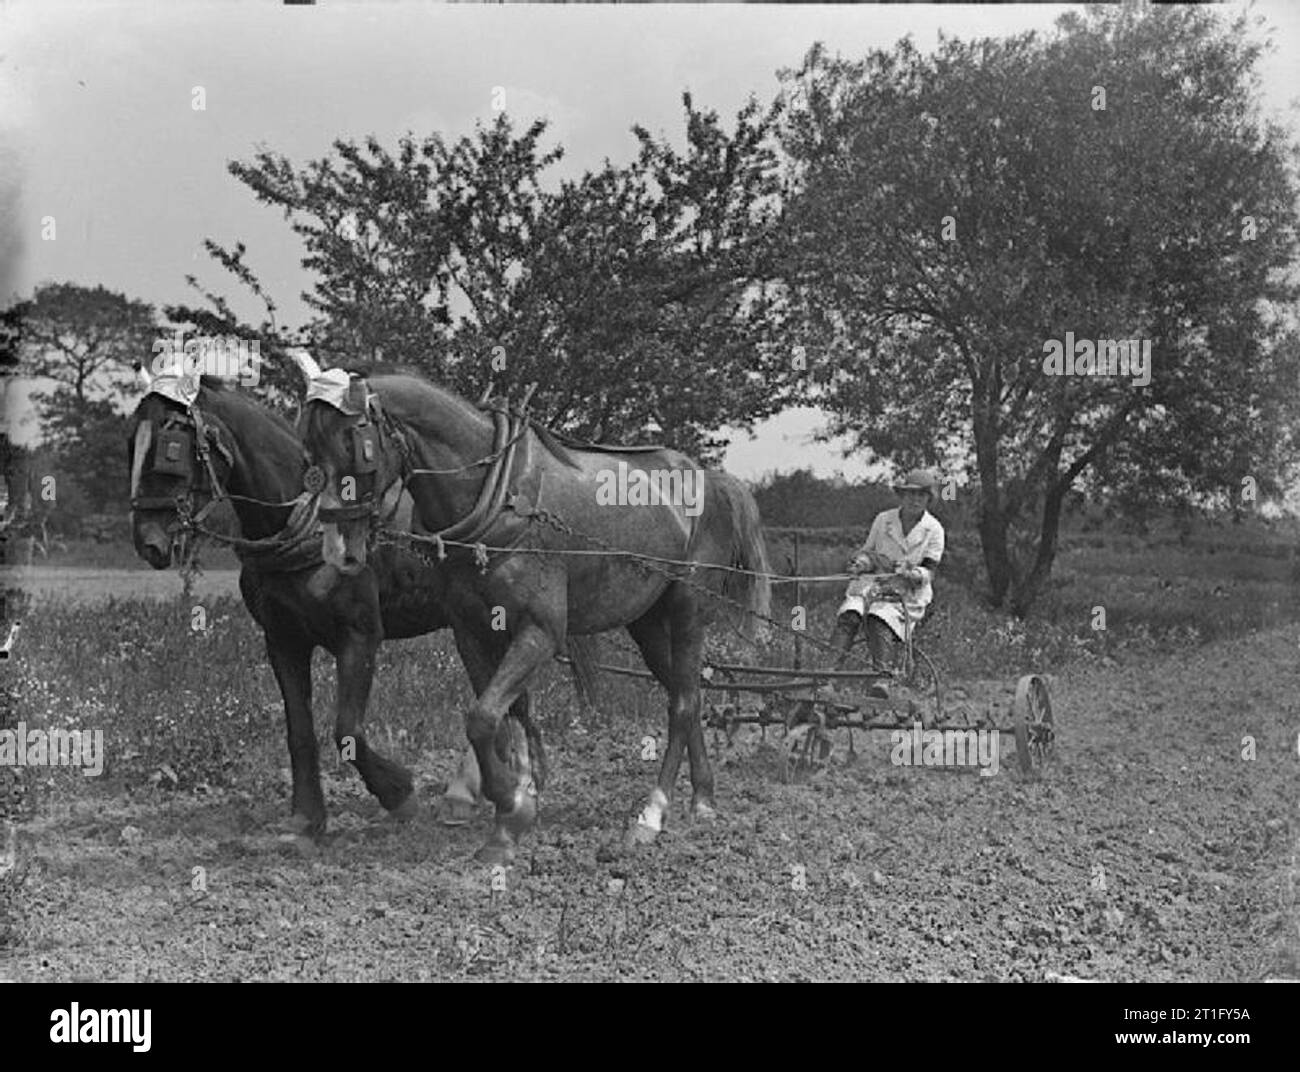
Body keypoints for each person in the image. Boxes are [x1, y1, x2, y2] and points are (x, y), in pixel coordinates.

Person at [832, 469, 945, 690]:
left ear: (928, 499)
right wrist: (861, 564)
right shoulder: (884, 520)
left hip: (907, 594)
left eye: (921, 495)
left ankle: (883, 678)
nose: (915, 499)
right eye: (910, 494)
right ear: (902, 496)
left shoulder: (934, 530)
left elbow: (929, 571)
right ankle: (825, 675)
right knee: (850, 615)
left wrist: (912, 573)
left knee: (878, 617)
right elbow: (867, 551)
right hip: (872, 585)